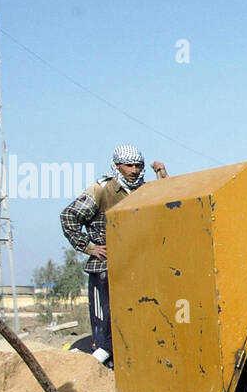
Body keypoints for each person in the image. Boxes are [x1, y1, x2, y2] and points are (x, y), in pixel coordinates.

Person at [60, 145, 167, 369]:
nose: (134, 170)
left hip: (139, 266)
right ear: (117, 166)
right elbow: (69, 217)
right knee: (105, 319)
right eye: (129, 165)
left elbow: (171, 201)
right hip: (107, 266)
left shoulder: (145, 190)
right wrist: (90, 247)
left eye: (138, 166)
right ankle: (101, 363)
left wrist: (163, 176)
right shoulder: (102, 189)